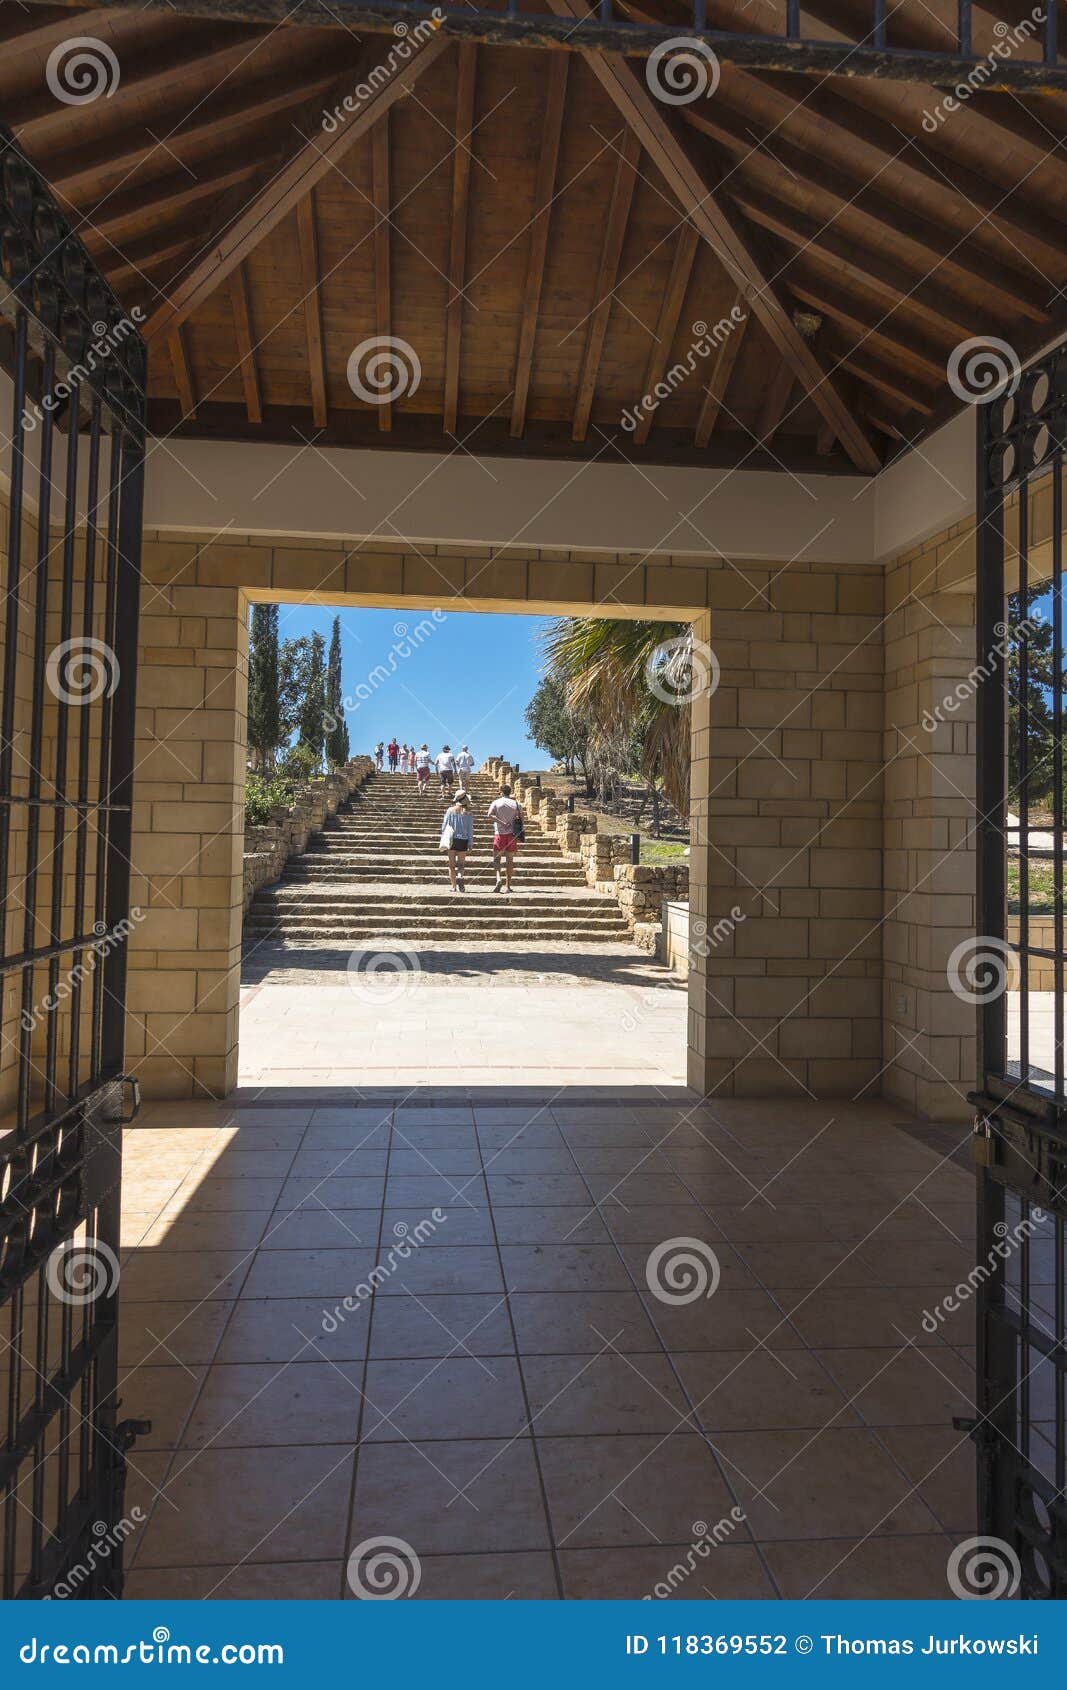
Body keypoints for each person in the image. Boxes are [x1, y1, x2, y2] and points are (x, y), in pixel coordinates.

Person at [488, 783, 522, 893]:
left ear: (501, 792)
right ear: (510, 792)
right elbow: (522, 819)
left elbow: (489, 815)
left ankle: (498, 878)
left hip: (499, 834)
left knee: (497, 859)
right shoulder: (516, 804)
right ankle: (508, 886)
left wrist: (502, 822)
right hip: (512, 835)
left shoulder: (496, 802)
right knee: (510, 861)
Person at [439, 790, 472, 892]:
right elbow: (470, 829)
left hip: (452, 839)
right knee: (461, 864)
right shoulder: (469, 813)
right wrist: (470, 843)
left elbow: (444, 826)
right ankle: (460, 876)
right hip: (463, 840)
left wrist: (444, 837)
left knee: (451, 865)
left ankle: (453, 887)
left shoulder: (450, 811)